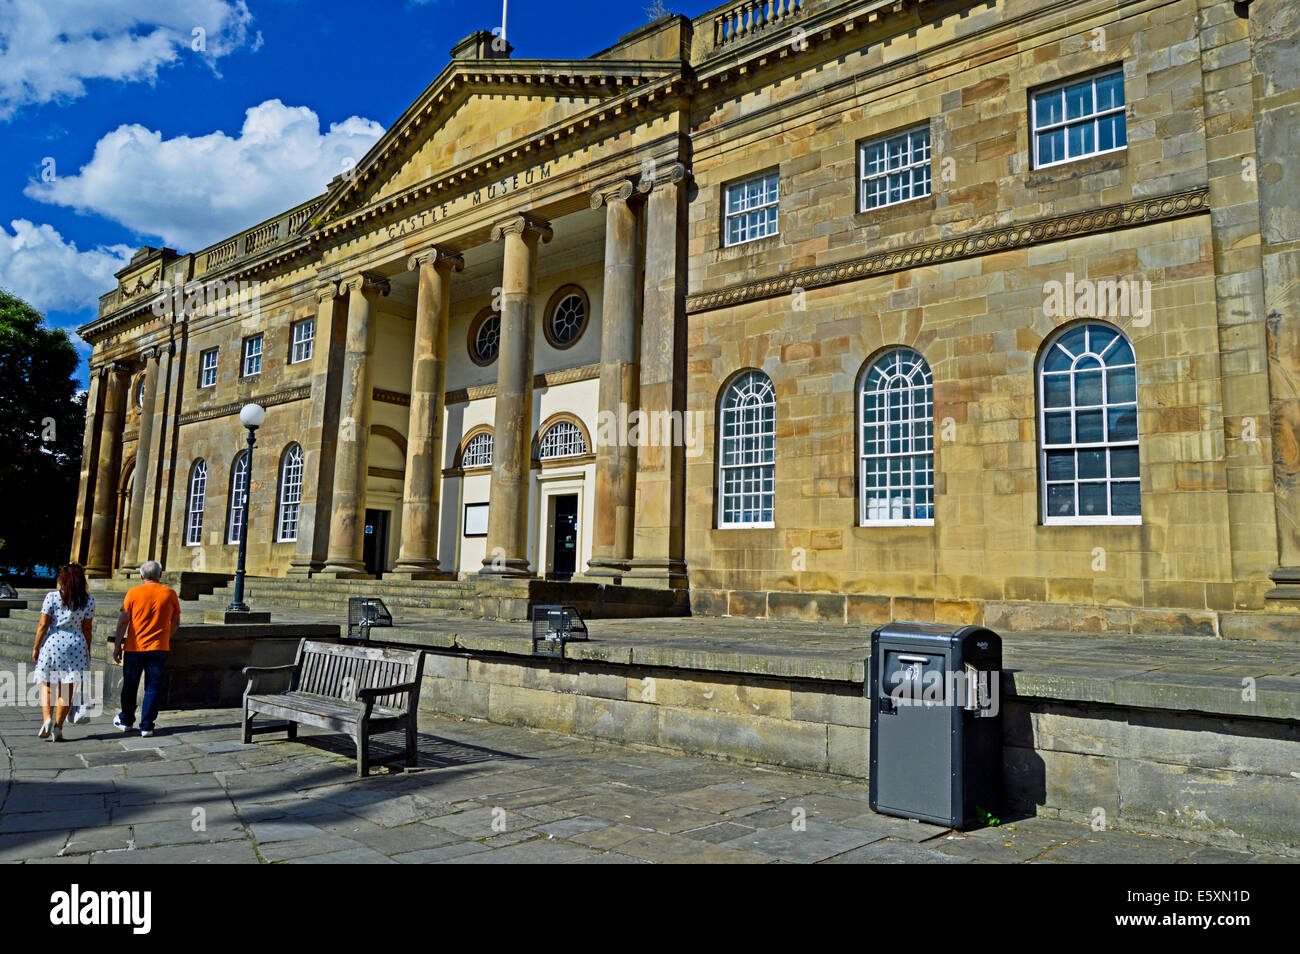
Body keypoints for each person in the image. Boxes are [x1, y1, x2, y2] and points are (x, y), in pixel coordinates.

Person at [112, 561, 180, 737]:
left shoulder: (133, 593)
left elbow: (123, 620)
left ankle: (126, 721)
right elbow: (176, 622)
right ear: (160, 575)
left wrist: (118, 644)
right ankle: (147, 726)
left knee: (130, 684)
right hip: (159, 647)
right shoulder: (170, 594)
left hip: (135, 646)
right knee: (153, 686)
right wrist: (166, 637)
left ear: (141, 576)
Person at [31, 564, 95, 742]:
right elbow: (87, 628)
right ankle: (58, 727)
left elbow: (43, 625)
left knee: (48, 684)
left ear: (62, 579)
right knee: (67, 688)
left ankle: (47, 719)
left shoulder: (52, 597)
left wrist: (36, 646)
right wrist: (87, 649)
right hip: (76, 643)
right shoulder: (88, 601)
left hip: (53, 642)